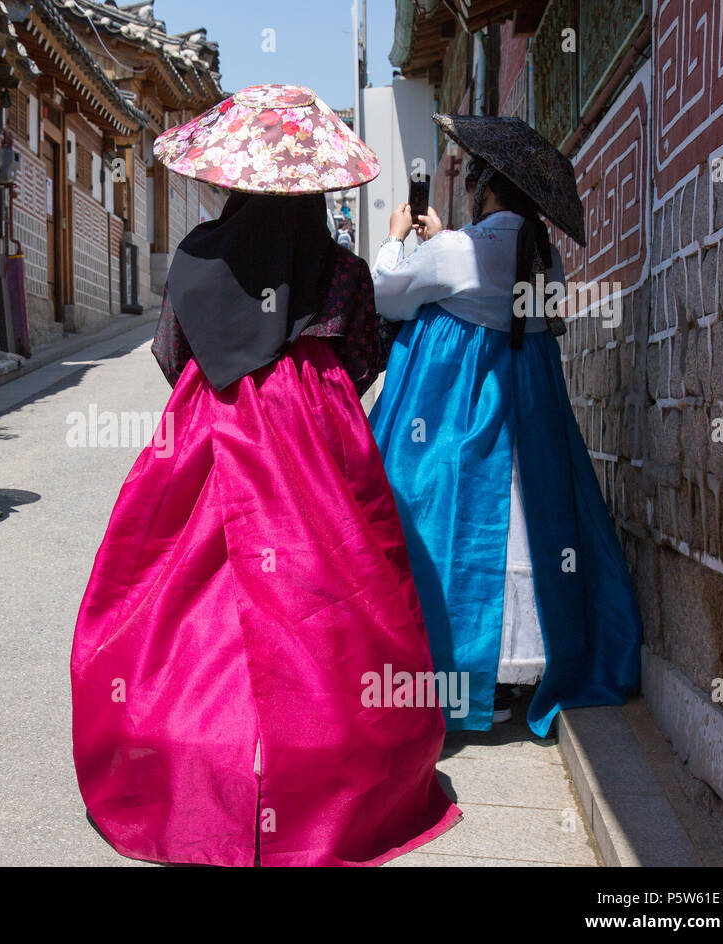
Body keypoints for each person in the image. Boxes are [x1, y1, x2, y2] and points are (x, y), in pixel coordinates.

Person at [71, 84, 460, 867]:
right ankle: (323, 774)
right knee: (327, 592)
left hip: (206, 426)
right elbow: (364, 361)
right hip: (317, 435)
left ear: (233, 179)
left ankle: (196, 760)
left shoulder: (194, 260)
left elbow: (171, 354)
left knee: (184, 596)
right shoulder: (343, 269)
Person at [368, 114, 642, 735]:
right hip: (532, 413)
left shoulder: (459, 250)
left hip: (461, 411)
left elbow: (390, 292)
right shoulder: (544, 258)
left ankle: (463, 676)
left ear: (484, 187)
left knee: (458, 530)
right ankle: (526, 673)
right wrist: (449, 241)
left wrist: (399, 240)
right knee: (530, 530)